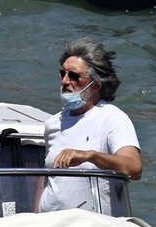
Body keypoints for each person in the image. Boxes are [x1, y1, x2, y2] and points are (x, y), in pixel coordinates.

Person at [39, 38, 142, 213]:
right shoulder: (53, 123)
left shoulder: (112, 118)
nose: (65, 81)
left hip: (93, 225)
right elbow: (48, 180)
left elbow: (134, 168)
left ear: (95, 85)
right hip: (50, 223)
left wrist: (90, 156)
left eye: (74, 76)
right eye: (62, 74)